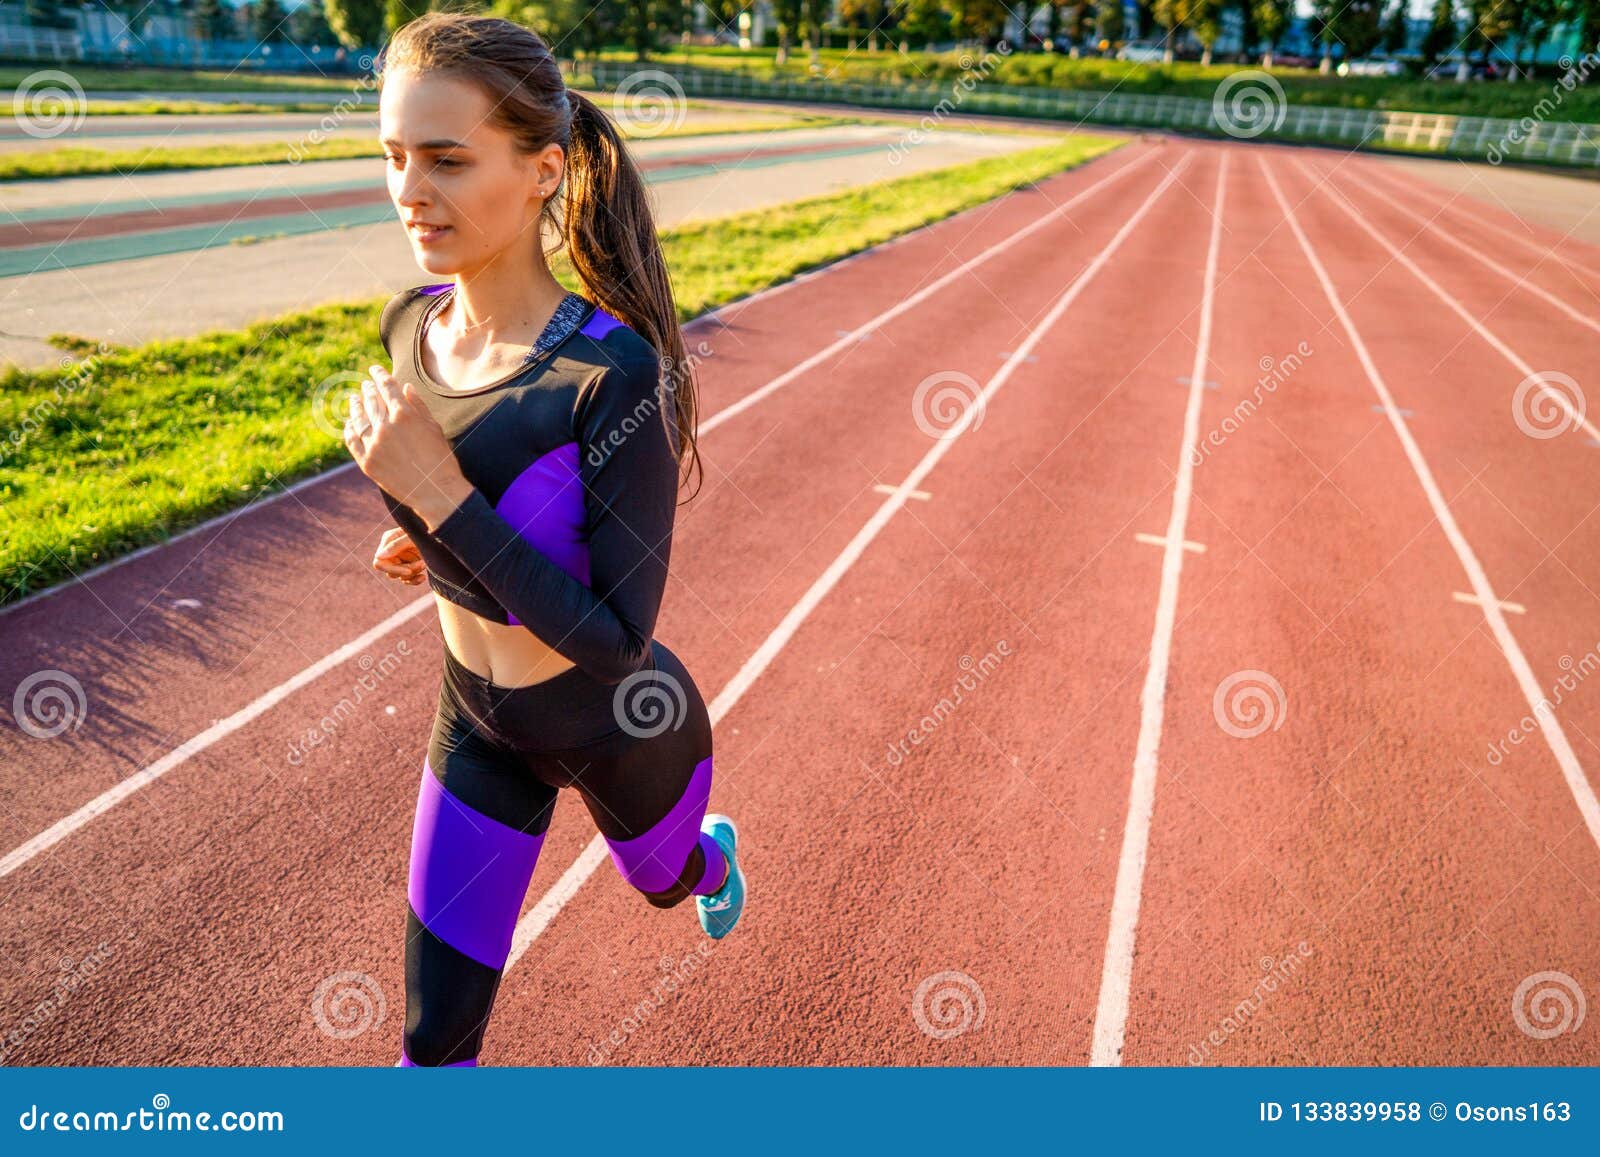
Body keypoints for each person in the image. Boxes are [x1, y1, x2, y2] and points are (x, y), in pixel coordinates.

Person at [340, 11, 746, 1069]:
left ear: (541, 170)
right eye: (392, 156)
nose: (409, 190)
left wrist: (443, 505)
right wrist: (435, 546)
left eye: (446, 158)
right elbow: (471, 525)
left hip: (620, 722)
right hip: (476, 728)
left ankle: (708, 863)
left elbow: (616, 642)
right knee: (433, 1042)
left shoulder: (609, 377)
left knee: (664, 884)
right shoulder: (406, 327)